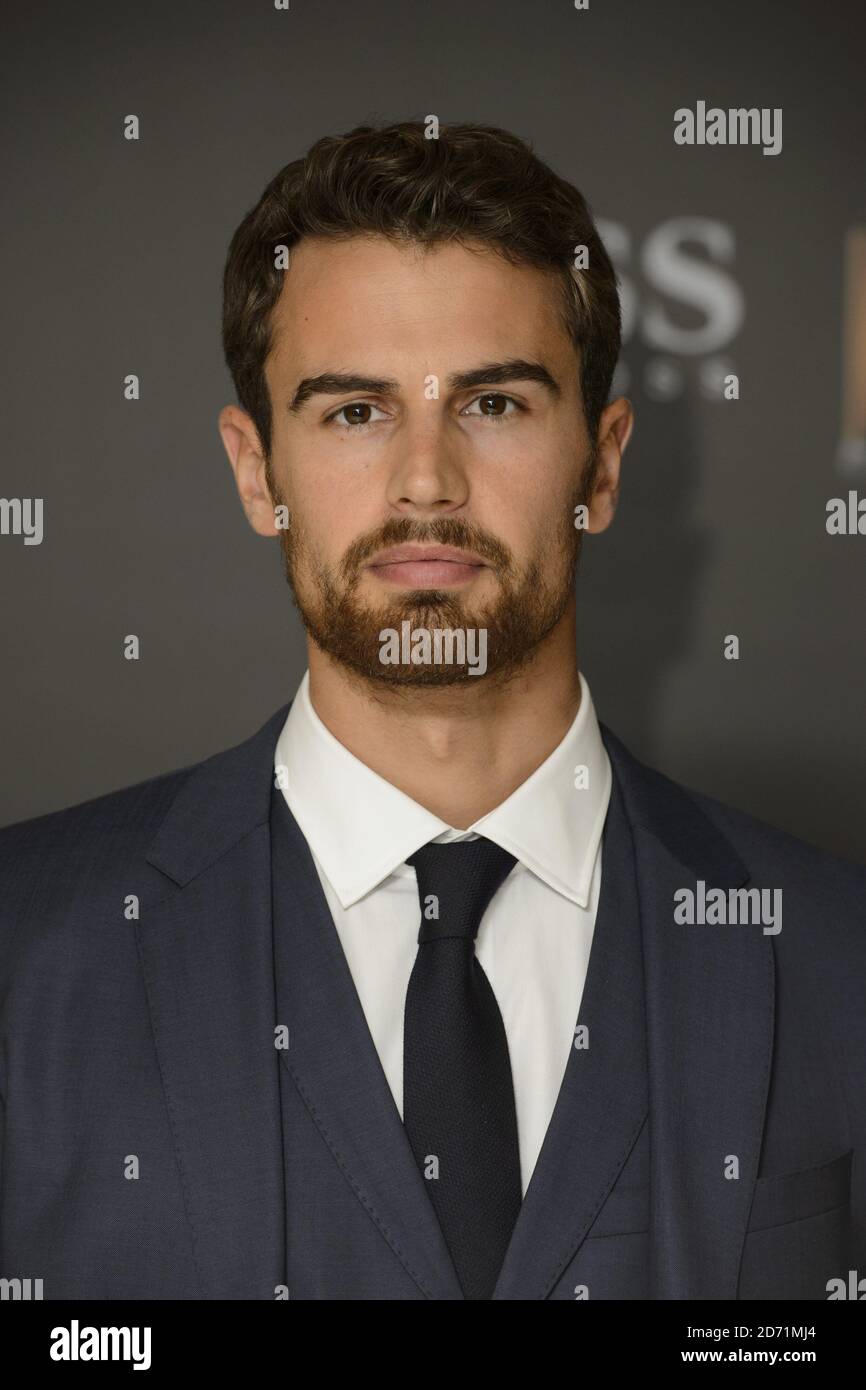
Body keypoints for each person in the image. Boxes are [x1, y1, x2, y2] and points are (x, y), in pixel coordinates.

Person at [1, 121, 863, 1301]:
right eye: (353, 411)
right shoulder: (21, 957)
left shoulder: (831, 951)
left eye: (494, 404)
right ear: (258, 474)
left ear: (600, 468)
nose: (424, 479)